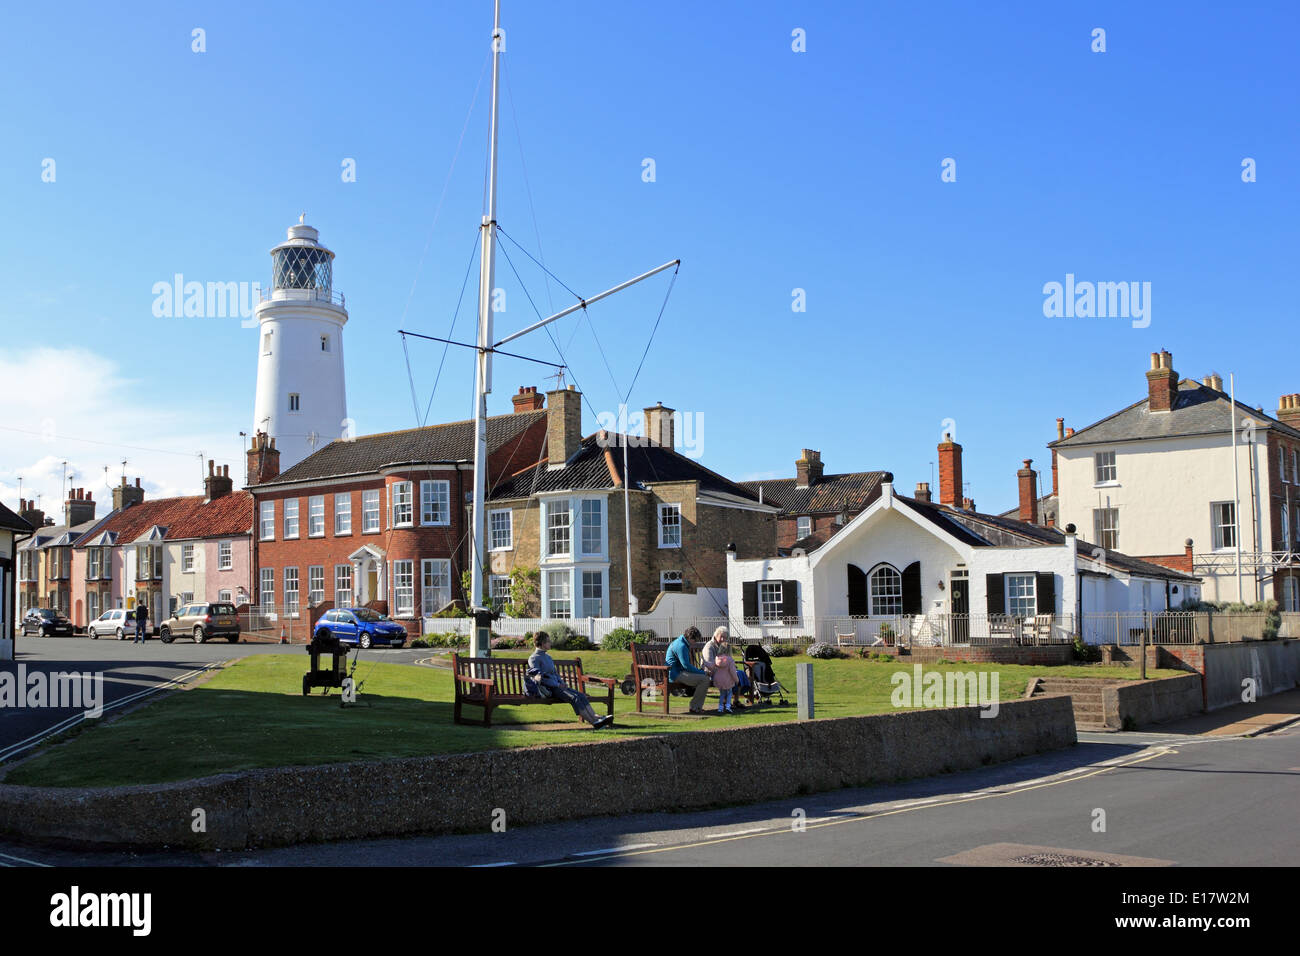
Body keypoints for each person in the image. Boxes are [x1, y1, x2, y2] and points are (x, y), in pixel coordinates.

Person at [527, 634, 613, 729]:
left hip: (558, 686)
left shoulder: (548, 657)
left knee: (580, 695)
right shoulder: (534, 658)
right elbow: (540, 678)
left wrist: (561, 682)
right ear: (542, 644)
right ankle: (594, 722)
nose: (550, 643)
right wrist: (557, 684)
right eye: (548, 641)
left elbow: (555, 673)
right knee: (574, 698)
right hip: (550, 689)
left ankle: (596, 718)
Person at [666, 625, 711, 714]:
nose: (695, 643)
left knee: (704, 678)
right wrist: (702, 672)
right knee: (704, 679)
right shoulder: (681, 646)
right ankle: (694, 707)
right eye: (695, 640)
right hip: (675, 674)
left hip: (678, 672)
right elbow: (686, 666)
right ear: (690, 638)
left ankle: (695, 706)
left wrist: (701, 673)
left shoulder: (681, 642)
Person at [701, 626, 747, 710]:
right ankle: (725, 702)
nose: (723, 639)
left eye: (725, 637)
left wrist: (730, 667)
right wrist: (726, 668)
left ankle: (736, 701)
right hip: (710, 672)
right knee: (732, 675)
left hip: (722, 670)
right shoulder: (709, 646)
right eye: (721, 636)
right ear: (716, 635)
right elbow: (709, 664)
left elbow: (727, 660)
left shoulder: (723, 646)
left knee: (740, 673)